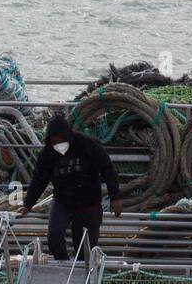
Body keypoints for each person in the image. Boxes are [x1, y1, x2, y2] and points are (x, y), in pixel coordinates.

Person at [18, 112, 123, 261]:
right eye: (53, 142)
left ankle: (82, 270)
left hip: (89, 204)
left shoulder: (88, 145)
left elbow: (108, 169)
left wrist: (115, 197)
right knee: (54, 235)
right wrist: (28, 204)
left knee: (85, 247)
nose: (57, 145)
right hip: (63, 202)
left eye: (59, 141)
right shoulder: (47, 153)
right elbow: (39, 179)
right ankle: (63, 262)